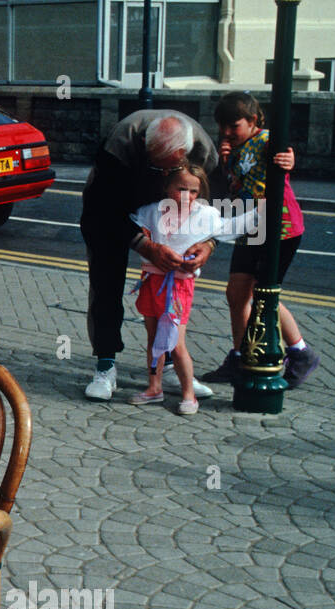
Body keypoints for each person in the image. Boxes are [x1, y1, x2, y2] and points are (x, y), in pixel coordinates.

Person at [80, 111, 219, 402]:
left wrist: (207, 244)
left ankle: (168, 366)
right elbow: (102, 209)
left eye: (174, 167)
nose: (164, 175)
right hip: (111, 209)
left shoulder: (204, 151)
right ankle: (106, 365)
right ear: (145, 144)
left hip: (173, 213)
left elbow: (214, 206)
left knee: (168, 295)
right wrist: (145, 244)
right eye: (158, 166)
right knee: (106, 283)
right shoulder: (118, 145)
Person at [200, 91, 317, 388]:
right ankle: (239, 359)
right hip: (249, 225)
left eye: (233, 126)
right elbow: (236, 186)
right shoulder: (236, 146)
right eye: (222, 126)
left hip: (279, 227)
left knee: (266, 296)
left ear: (253, 120)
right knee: (237, 294)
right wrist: (227, 160)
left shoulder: (266, 140)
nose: (226, 132)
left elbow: (285, 157)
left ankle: (300, 353)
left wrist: (290, 159)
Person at [126, 163, 257, 415]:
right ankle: (154, 386)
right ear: (166, 187)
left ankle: (188, 393)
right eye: (181, 189)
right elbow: (136, 222)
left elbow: (229, 228)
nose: (187, 196)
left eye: (194, 191)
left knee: (176, 342)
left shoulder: (203, 214)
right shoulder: (153, 210)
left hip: (178, 285)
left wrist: (260, 212)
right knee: (154, 338)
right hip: (150, 281)